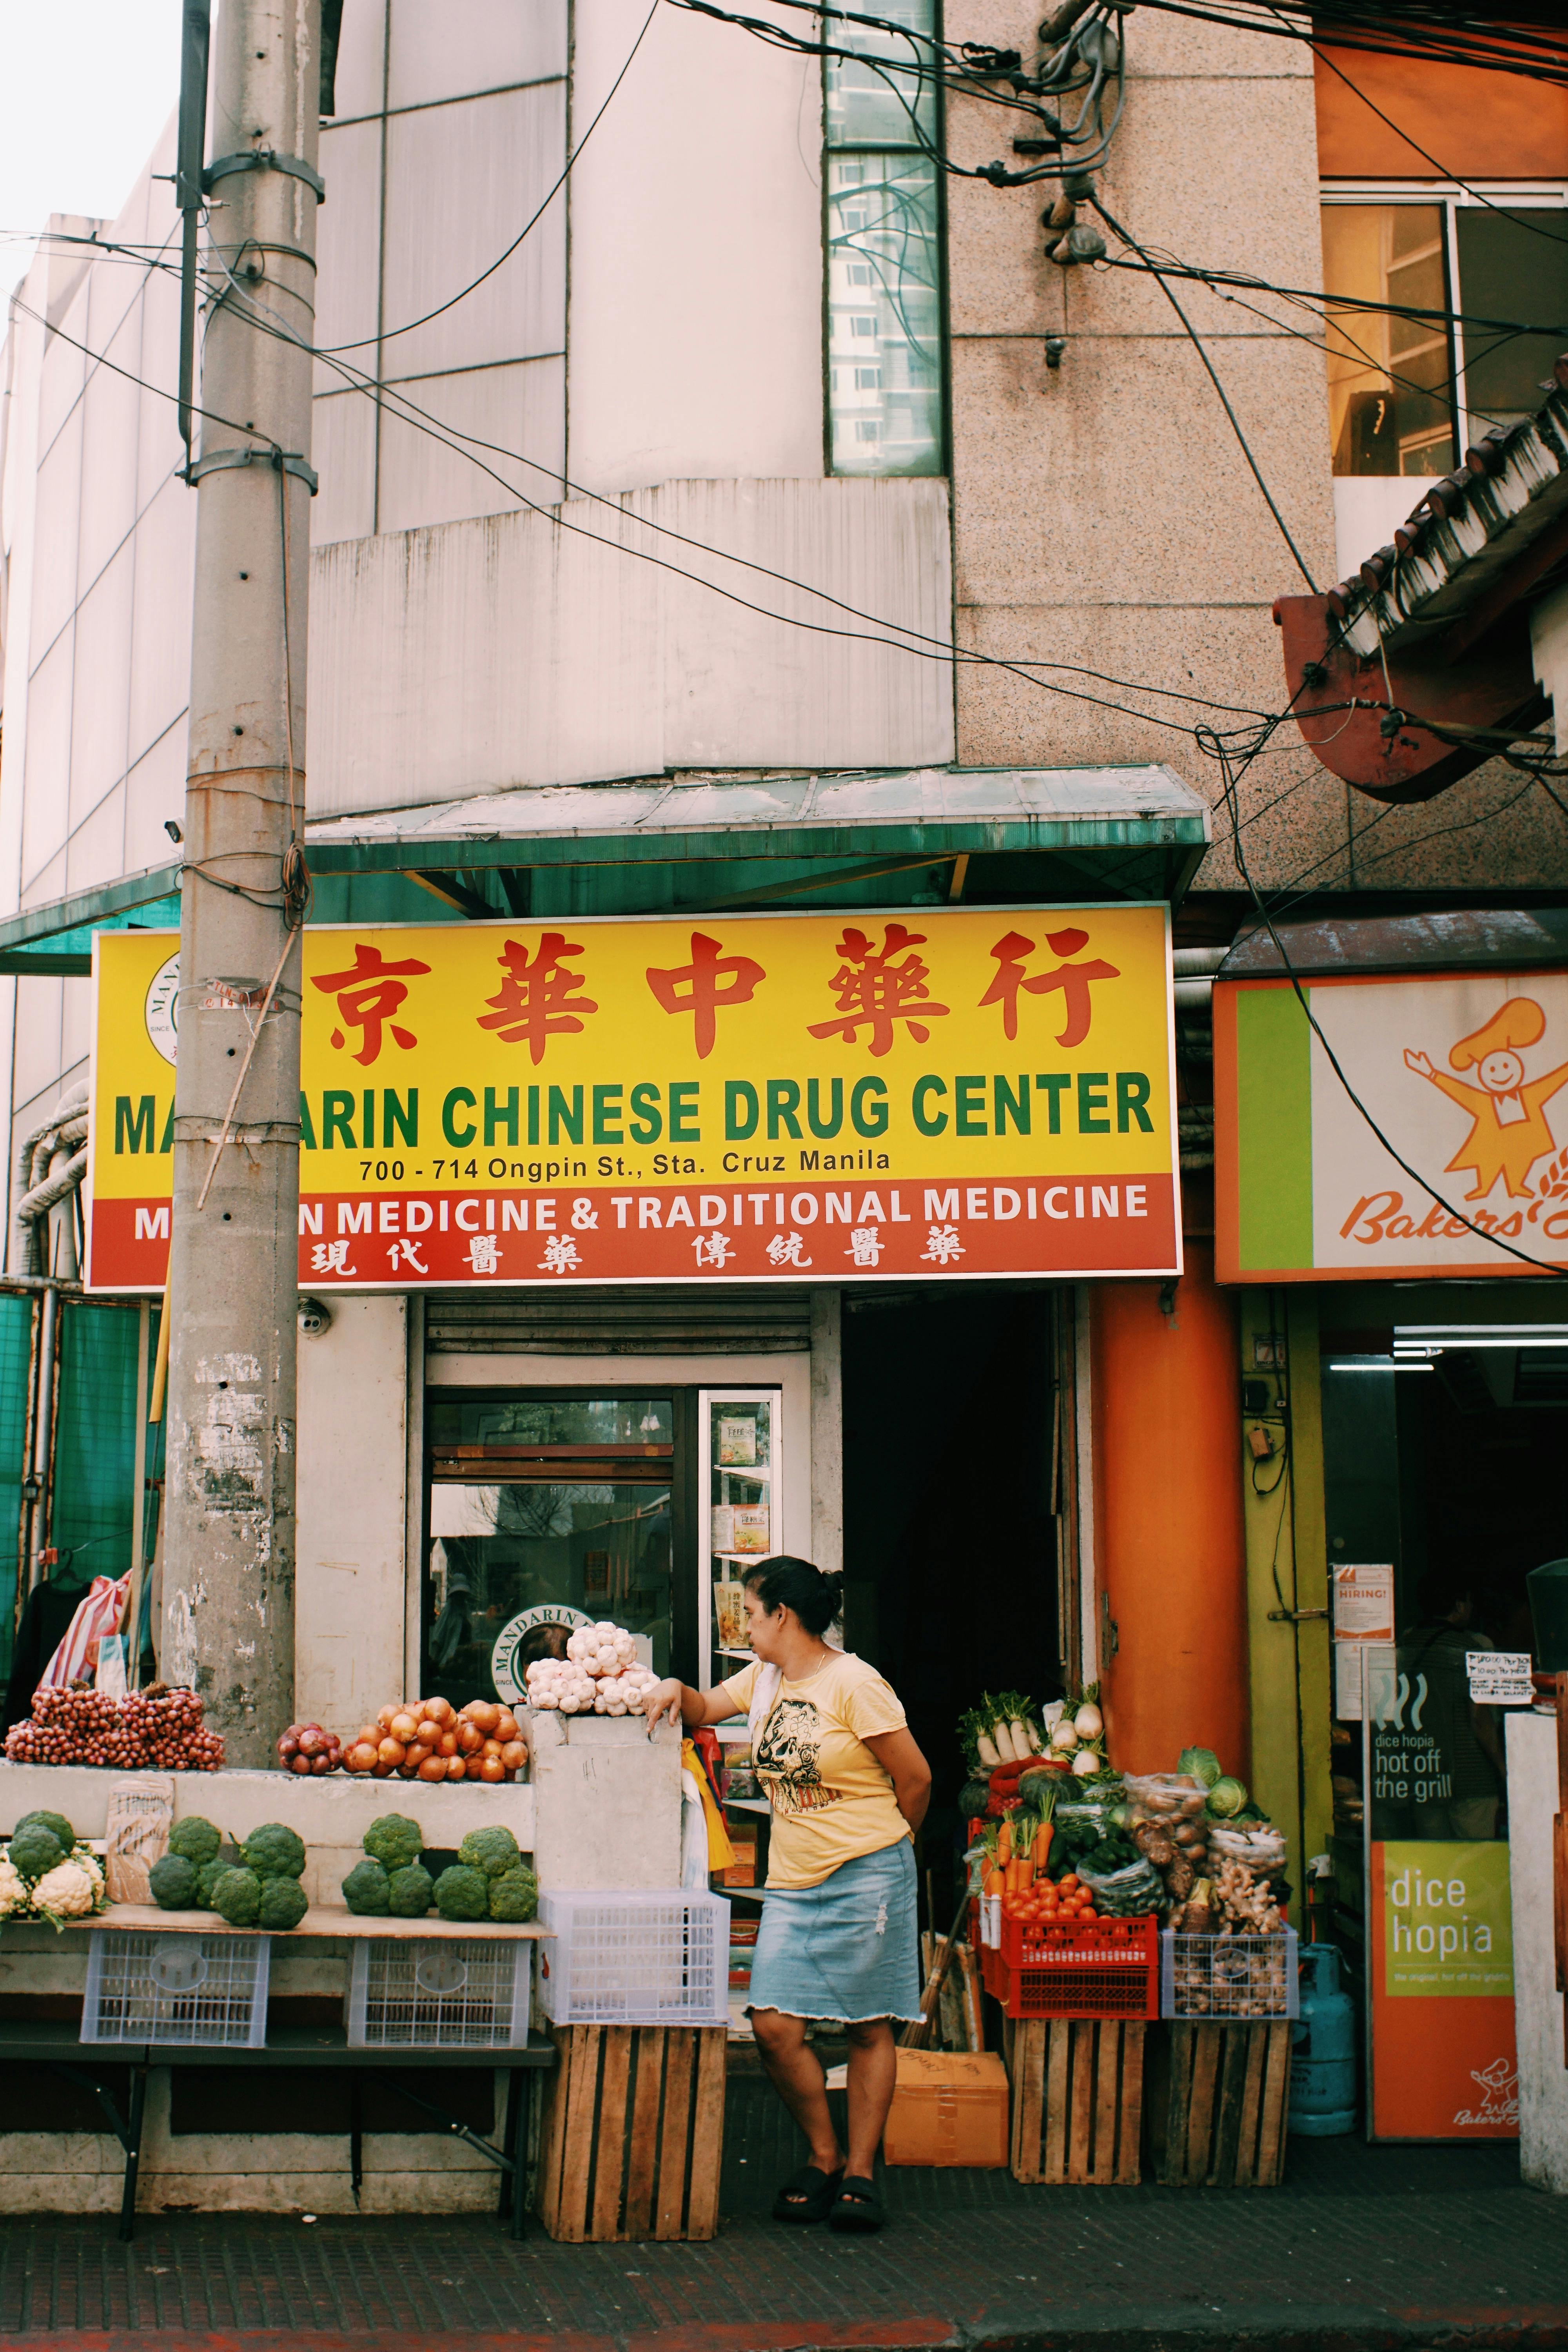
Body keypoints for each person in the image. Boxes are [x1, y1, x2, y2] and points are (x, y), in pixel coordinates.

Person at [645, 1557, 931, 2232]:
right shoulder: (765, 1677)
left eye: (748, 1611)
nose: (742, 1623)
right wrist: (669, 1686)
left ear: (782, 1615)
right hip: (795, 1884)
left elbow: (915, 1780)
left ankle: (860, 2171)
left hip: (868, 1871)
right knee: (773, 2024)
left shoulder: (856, 1683)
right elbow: (704, 1706)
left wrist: (893, 1853)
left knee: (867, 2026)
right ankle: (823, 2155)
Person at [1396, 1565, 1506, 1839]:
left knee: (1435, 1867)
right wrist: (1505, 1771)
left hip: (1424, 1778)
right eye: (1469, 1601)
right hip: (1471, 1780)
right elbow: (1481, 1720)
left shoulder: (1404, 1645)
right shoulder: (1475, 1648)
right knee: (1476, 1865)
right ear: (1459, 1607)